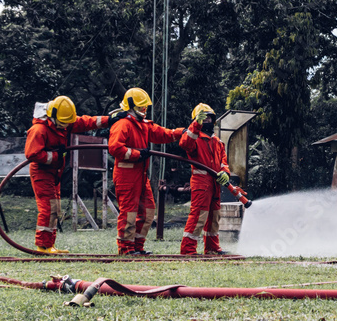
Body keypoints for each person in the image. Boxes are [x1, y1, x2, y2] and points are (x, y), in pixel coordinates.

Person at [24, 95, 109, 254]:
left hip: (55, 172)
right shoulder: (39, 129)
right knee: (48, 208)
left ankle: (49, 245)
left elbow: (86, 122)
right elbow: (32, 154)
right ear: (52, 116)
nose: (65, 127)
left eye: (67, 123)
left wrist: (109, 120)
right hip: (42, 173)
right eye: (62, 124)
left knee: (55, 209)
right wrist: (55, 156)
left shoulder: (64, 121)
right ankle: (43, 246)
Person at [107, 88, 184, 256]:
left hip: (141, 176)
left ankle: (137, 246)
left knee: (148, 210)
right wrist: (137, 154)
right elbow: (115, 148)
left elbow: (162, 134)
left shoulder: (143, 125)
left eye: (145, 107)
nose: (144, 110)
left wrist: (181, 132)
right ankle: (126, 249)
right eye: (141, 107)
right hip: (126, 176)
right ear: (131, 106)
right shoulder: (122, 125)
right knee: (129, 213)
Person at [178, 103, 231, 255]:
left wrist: (225, 172)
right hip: (201, 182)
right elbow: (184, 144)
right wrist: (195, 125)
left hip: (215, 183)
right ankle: (188, 250)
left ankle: (212, 248)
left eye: (209, 118)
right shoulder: (195, 139)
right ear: (198, 120)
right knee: (198, 216)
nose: (207, 121)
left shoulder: (218, 142)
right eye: (203, 118)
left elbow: (223, 162)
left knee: (214, 217)